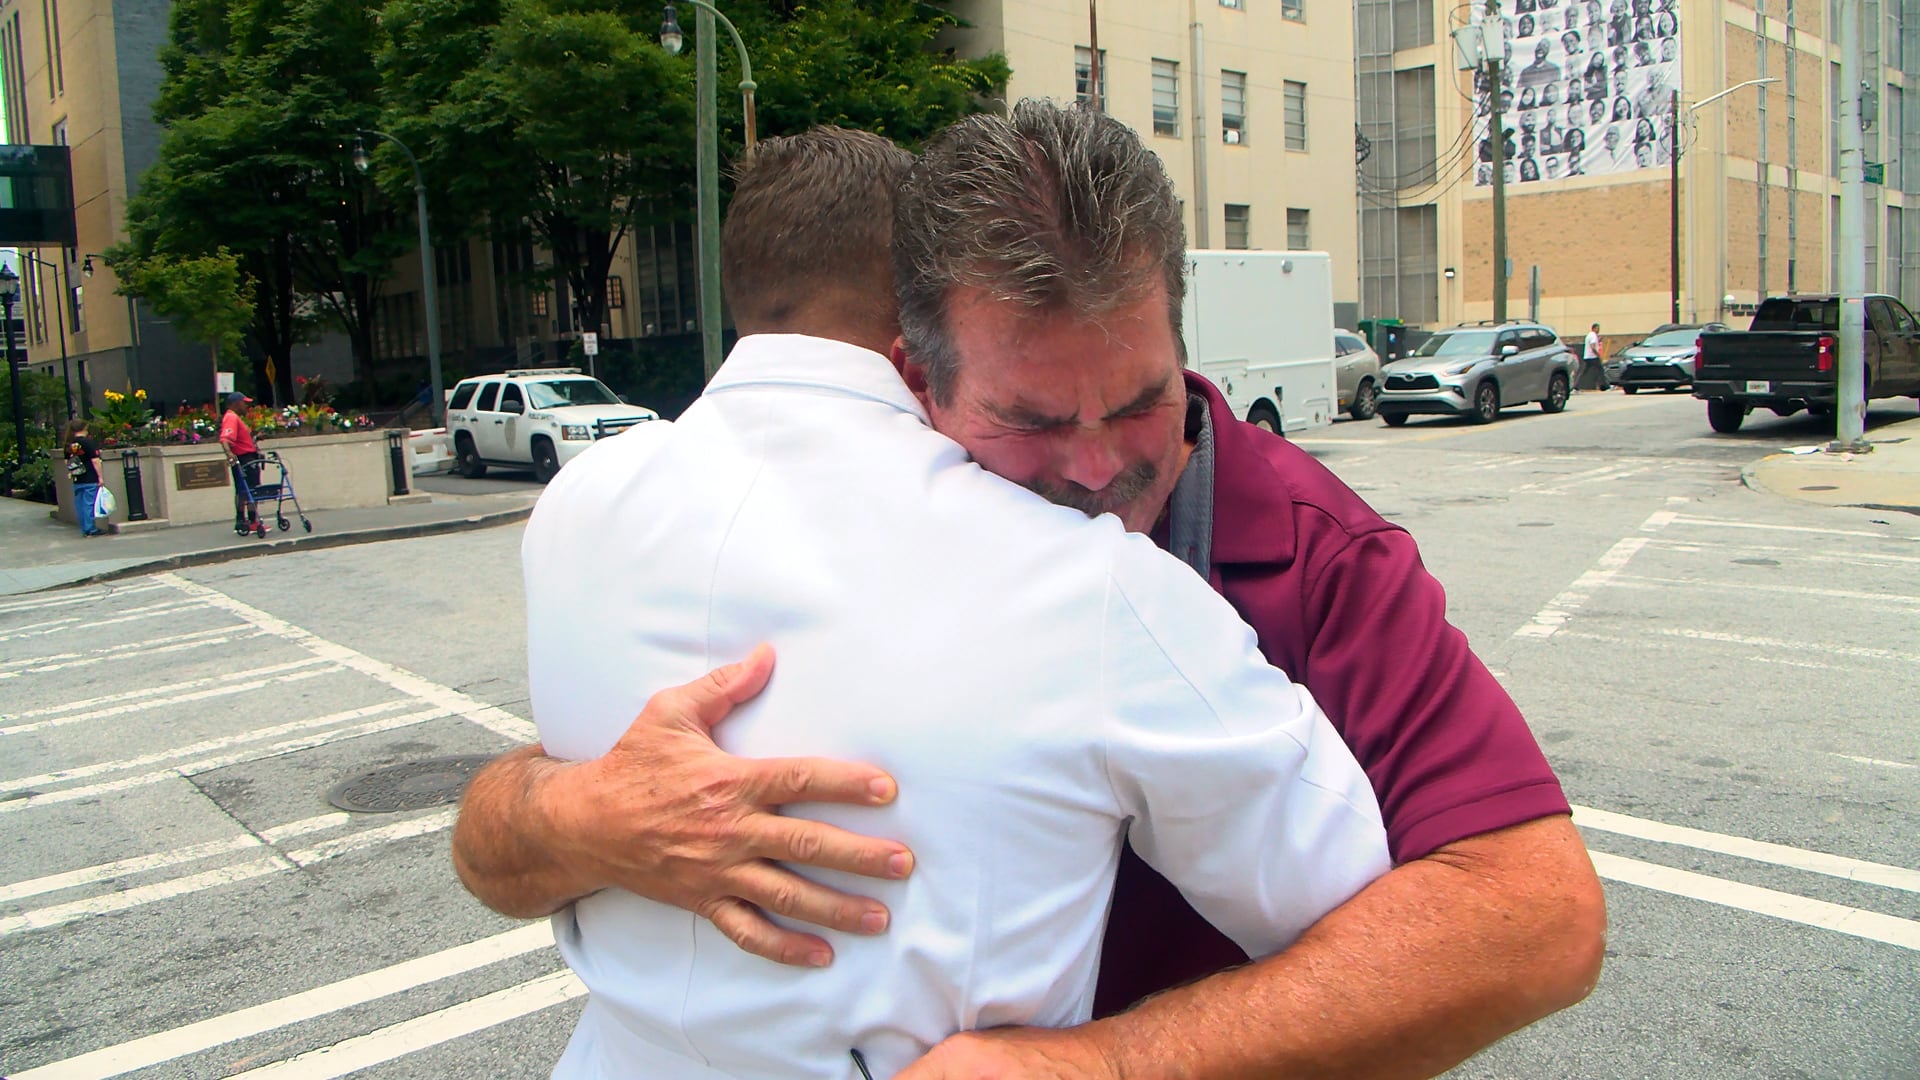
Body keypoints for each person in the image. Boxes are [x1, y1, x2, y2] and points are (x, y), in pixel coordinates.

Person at [455, 102, 1605, 1080]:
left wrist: (1106, 1066)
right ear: (915, 379)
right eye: (1032, 419)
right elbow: (510, 836)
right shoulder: (884, 541)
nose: (1098, 469)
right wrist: (572, 814)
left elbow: (1532, 917)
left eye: (1141, 400)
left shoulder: (1317, 556)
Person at [219, 392, 263, 532]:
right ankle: (252, 521)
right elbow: (225, 439)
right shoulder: (231, 417)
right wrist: (229, 453)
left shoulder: (233, 417)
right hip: (245, 459)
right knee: (251, 489)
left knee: (243, 489)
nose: (246, 406)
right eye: (244, 403)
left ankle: (242, 520)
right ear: (236, 403)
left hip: (245, 457)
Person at [62, 418, 105, 538]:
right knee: (88, 504)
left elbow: (67, 461)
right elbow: (95, 461)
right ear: (84, 428)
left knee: (80, 504)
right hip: (90, 476)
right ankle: (90, 529)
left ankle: (85, 528)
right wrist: (100, 477)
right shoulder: (88, 443)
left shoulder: (69, 444)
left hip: (77, 478)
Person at [1581, 322, 1611, 390]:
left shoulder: (1589, 335)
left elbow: (1592, 343)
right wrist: (1597, 354)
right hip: (1593, 357)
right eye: (1597, 328)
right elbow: (1593, 347)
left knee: (1583, 372)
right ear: (1594, 328)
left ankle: (1575, 386)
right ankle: (1604, 386)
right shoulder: (1593, 335)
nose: (1598, 330)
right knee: (1600, 370)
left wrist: (1599, 340)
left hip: (1587, 357)